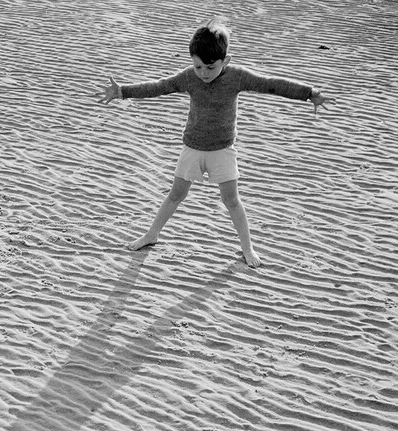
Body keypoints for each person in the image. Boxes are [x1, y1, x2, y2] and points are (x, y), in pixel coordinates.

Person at [97, 18, 333, 266]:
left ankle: (248, 249)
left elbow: (271, 84)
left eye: (210, 68)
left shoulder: (237, 77)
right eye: (198, 67)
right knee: (176, 194)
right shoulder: (189, 77)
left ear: (226, 61)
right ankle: (151, 234)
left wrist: (308, 93)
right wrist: (123, 91)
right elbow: (159, 86)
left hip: (222, 150)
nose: (203, 73)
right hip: (193, 148)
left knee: (231, 200)